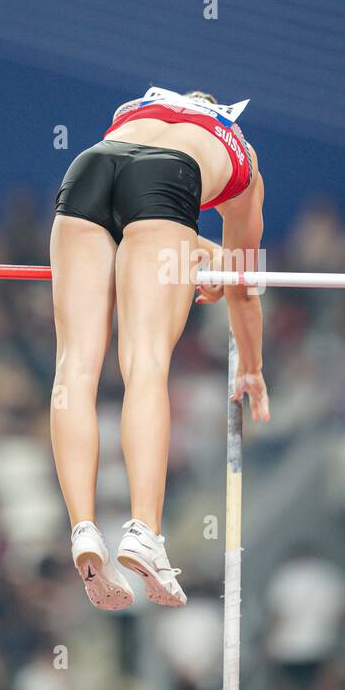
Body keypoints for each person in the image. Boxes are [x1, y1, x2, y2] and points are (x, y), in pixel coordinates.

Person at [50, 87, 269, 610]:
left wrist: (198, 248)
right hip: (167, 182)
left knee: (73, 368)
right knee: (145, 365)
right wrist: (254, 367)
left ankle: (82, 528)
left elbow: (130, 203)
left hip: (88, 171)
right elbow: (242, 283)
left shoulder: (132, 115)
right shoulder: (241, 157)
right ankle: (143, 529)